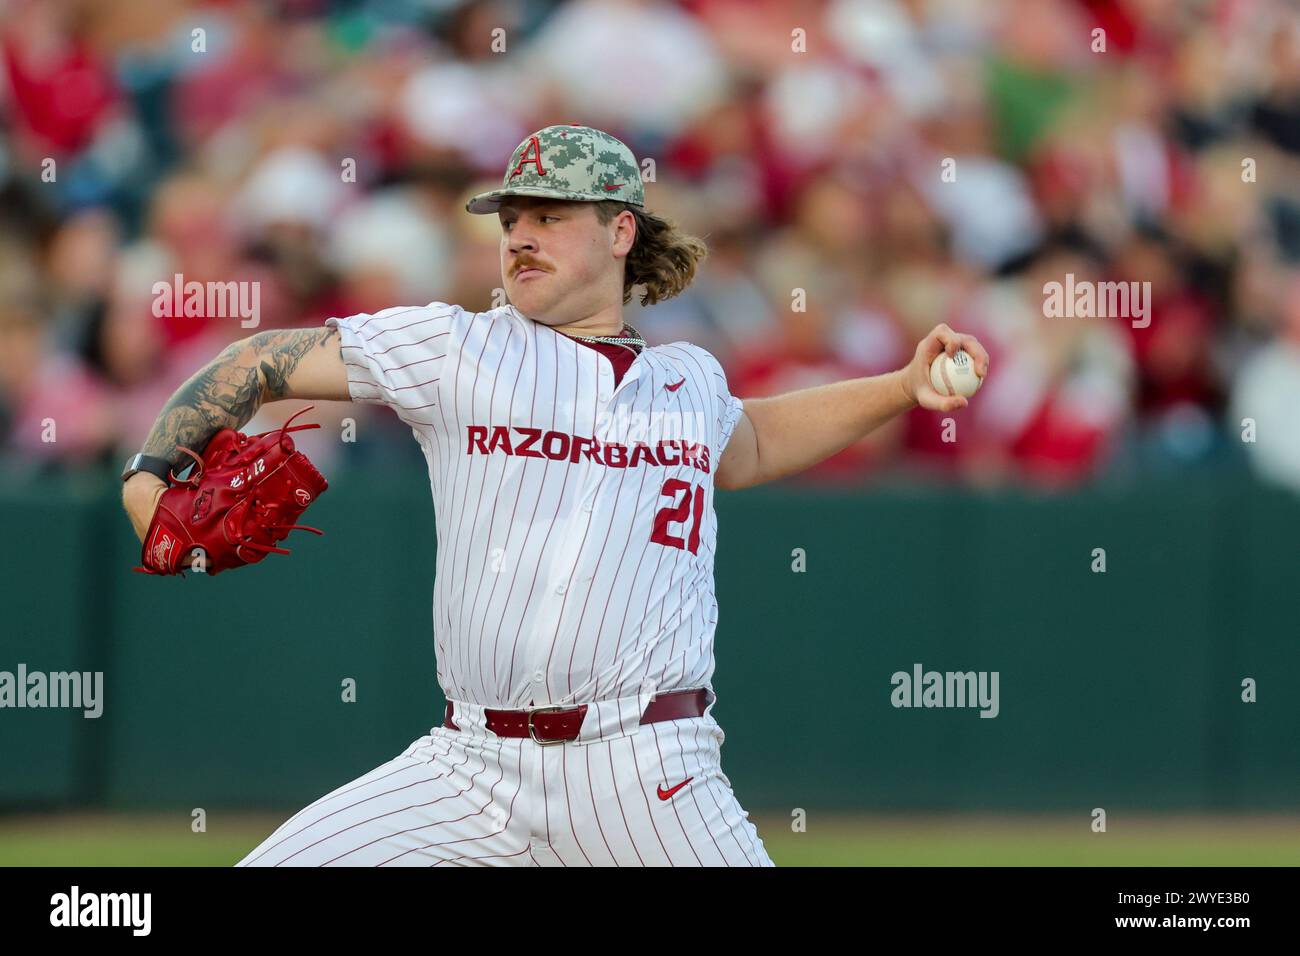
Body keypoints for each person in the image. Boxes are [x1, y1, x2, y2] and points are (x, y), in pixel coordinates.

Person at [120, 125, 988, 866]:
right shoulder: (457, 349)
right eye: (512, 218)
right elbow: (263, 357)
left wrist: (903, 386)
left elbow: (751, 440)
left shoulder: (688, 378)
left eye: (548, 215)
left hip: (648, 768)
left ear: (620, 232)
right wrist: (148, 477)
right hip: (468, 766)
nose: (521, 235)